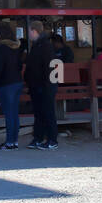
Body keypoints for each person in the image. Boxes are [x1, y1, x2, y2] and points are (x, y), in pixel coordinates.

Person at [23, 19, 58, 150]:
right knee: (38, 113)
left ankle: (52, 140)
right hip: (36, 85)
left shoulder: (46, 46)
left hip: (45, 86)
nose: (29, 34)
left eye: (30, 31)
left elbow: (51, 67)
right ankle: (38, 138)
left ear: (34, 31)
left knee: (48, 112)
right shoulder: (37, 45)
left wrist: (49, 85)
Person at [0, 21, 23, 151]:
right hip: (17, 82)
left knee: (8, 114)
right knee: (14, 113)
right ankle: (14, 141)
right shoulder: (16, 47)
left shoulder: (1, 48)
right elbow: (20, 65)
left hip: (6, 84)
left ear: (1, 34)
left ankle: (9, 142)